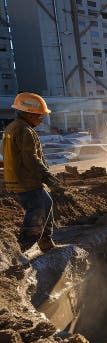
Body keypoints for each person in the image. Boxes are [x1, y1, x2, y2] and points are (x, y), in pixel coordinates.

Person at [2, 92, 61, 252]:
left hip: (18, 179)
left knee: (47, 202)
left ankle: (45, 243)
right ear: (28, 113)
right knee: (37, 211)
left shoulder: (12, 127)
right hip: (26, 181)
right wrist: (46, 175)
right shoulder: (24, 130)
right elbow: (31, 158)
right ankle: (20, 251)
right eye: (39, 116)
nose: (41, 119)